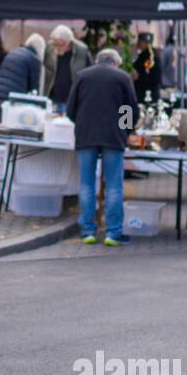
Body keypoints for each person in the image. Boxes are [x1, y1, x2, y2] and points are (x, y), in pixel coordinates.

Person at [67, 49, 138, 247]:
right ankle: (113, 233)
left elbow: (71, 109)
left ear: (97, 61)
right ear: (116, 62)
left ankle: (88, 232)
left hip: (86, 135)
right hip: (113, 137)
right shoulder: (122, 77)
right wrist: (125, 131)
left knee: (87, 184)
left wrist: (82, 122)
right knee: (114, 185)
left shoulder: (82, 76)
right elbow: (129, 108)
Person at [0, 33, 44, 128]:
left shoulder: (14, 52)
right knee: (10, 132)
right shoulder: (34, 59)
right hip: (11, 100)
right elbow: (34, 89)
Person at [44, 24, 93, 112]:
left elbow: (91, 74)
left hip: (73, 100)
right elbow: (44, 70)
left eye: (60, 45)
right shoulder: (50, 47)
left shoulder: (82, 51)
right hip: (53, 100)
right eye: (55, 44)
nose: (57, 47)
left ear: (68, 42)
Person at [132, 32, 162, 109]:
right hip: (143, 94)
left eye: (140, 42)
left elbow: (155, 77)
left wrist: (138, 77)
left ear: (146, 43)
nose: (138, 44)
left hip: (148, 95)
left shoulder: (151, 56)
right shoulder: (144, 55)